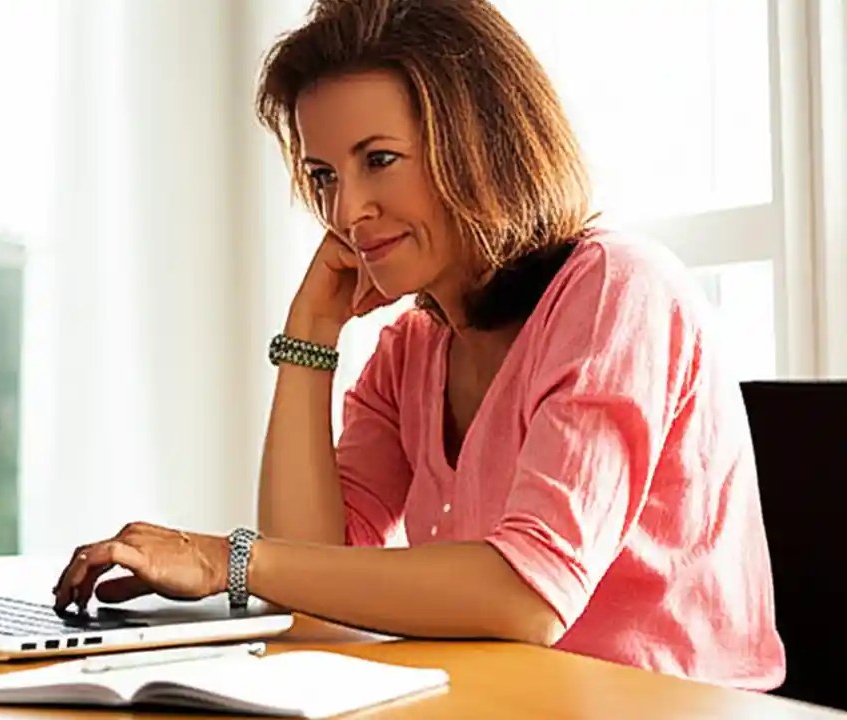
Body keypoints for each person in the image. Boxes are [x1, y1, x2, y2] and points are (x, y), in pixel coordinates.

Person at [51, 0, 785, 689]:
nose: (346, 212)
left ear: (479, 144)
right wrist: (310, 334)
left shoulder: (619, 293)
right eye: (324, 175)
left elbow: (528, 595)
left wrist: (227, 560)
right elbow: (314, 596)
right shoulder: (414, 348)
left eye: (379, 160)